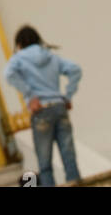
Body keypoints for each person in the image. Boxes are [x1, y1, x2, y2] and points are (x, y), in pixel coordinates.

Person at [5, 25, 82, 186]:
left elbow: (9, 74)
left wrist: (30, 95)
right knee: (69, 157)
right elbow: (75, 70)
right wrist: (67, 96)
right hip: (59, 106)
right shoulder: (50, 55)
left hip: (41, 110)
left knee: (45, 163)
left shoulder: (19, 58)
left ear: (19, 44)